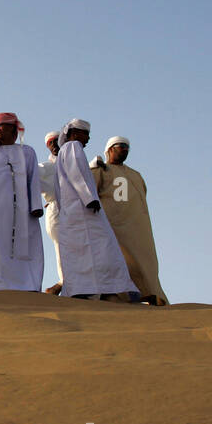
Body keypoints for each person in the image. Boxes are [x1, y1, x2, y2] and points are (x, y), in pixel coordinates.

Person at [55, 120, 137, 300]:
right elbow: (78, 175)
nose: (88, 138)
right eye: (85, 134)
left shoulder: (64, 152)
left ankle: (85, 288)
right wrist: (90, 198)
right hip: (84, 208)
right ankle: (113, 287)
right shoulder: (73, 147)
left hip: (72, 211)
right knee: (104, 245)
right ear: (75, 134)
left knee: (81, 250)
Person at [91, 136, 168, 305]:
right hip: (114, 226)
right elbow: (88, 191)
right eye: (121, 146)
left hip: (139, 227)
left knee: (146, 262)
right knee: (117, 260)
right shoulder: (101, 170)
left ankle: (151, 293)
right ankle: (118, 296)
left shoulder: (135, 175)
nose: (125, 149)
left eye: (127, 147)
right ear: (110, 149)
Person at [0, 112, 44, 291]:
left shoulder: (27, 152)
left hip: (25, 211)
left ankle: (28, 284)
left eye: (1, 126)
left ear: (13, 128)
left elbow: (34, 179)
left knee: (26, 245)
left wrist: (36, 205)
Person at [39, 130, 64, 293]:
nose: (55, 145)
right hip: (56, 210)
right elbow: (29, 176)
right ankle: (64, 282)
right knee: (62, 247)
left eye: (57, 141)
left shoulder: (72, 164)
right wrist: (49, 195)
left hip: (74, 210)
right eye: (51, 143)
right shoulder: (47, 166)